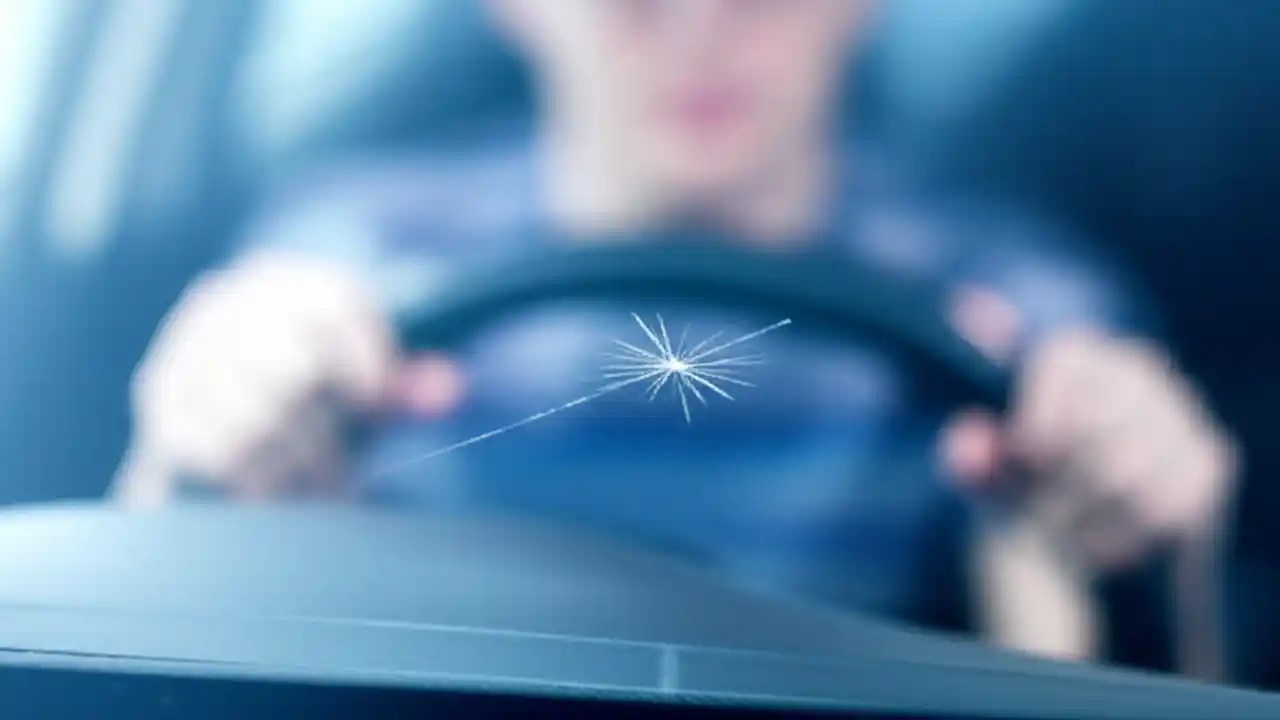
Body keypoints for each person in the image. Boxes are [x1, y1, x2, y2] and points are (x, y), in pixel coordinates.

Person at [114, 0, 1236, 670]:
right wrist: (200, 444)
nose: (701, 27)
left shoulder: (1003, 288)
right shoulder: (348, 247)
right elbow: (166, 601)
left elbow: (1094, 643)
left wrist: (1141, 515)